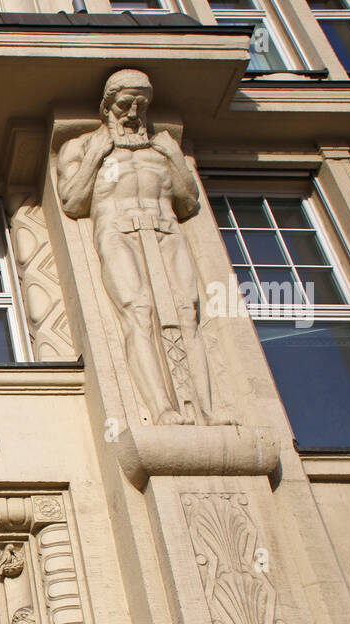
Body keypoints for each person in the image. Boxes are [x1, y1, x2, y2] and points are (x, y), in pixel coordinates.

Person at [58, 68, 232, 426]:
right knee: (139, 313)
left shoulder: (163, 146)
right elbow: (74, 201)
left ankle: (206, 410)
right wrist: (96, 156)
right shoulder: (81, 147)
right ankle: (161, 410)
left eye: (141, 104)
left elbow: (187, 201)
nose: (133, 113)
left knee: (187, 314)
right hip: (118, 232)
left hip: (167, 230)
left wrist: (176, 159)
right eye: (125, 104)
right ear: (107, 106)